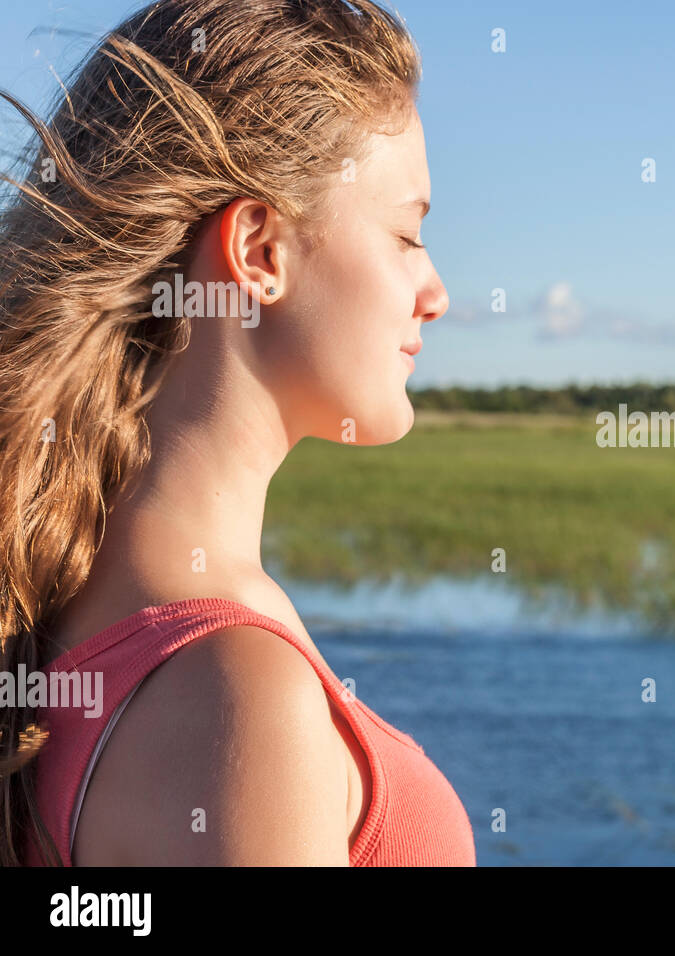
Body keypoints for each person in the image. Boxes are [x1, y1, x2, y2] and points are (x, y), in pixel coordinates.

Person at [0, 0, 474, 866]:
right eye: (408, 232)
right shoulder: (240, 697)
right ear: (258, 250)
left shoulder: (71, 612)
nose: (435, 291)